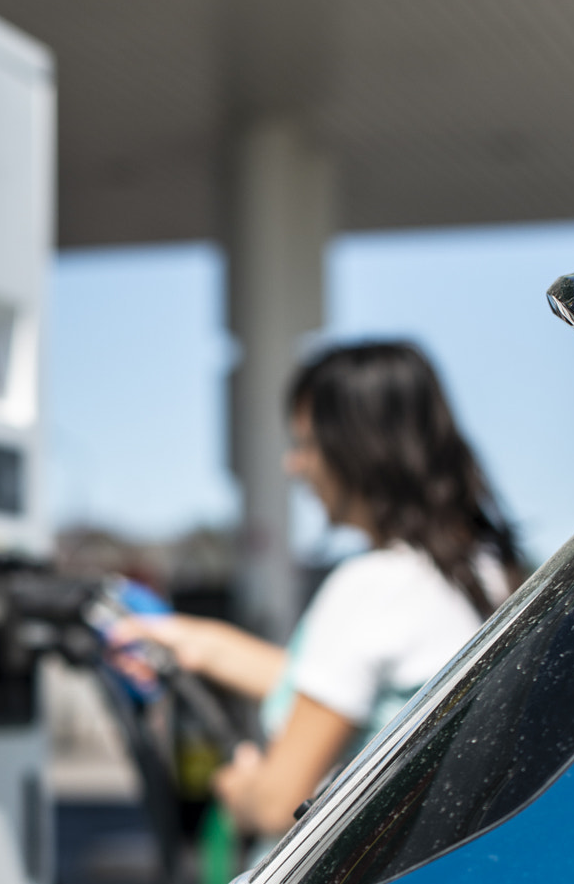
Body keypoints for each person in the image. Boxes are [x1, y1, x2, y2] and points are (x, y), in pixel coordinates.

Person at [110, 342, 524, 840]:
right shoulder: (486, 571)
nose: (294, 465)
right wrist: (194, 642)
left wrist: (238, 786)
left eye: (306, 443)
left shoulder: (373, 585)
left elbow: (275, 806)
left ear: (359, 448)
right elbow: (344, 692)